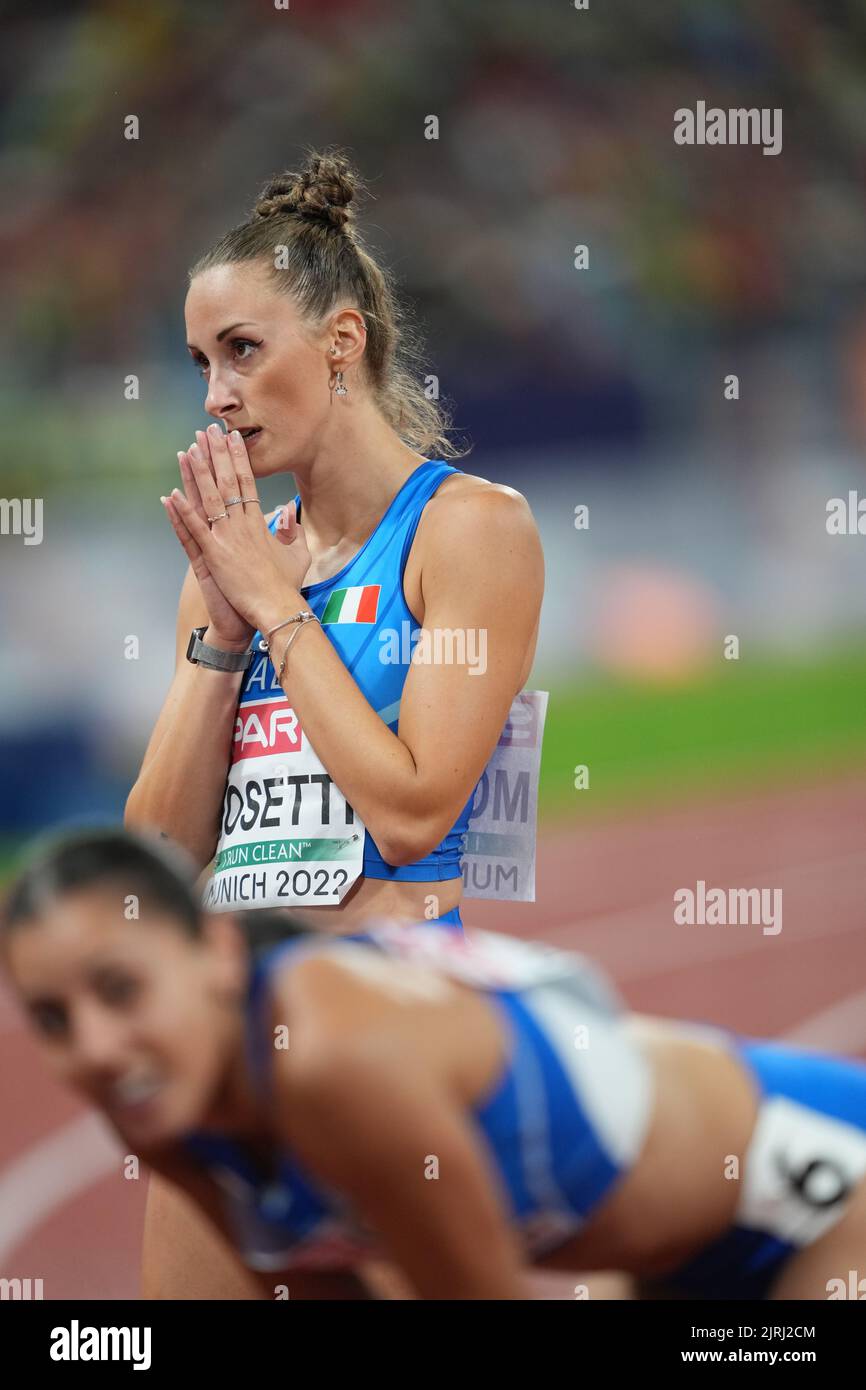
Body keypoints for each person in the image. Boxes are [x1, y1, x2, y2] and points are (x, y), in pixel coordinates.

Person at [4, 826, 866, 1301]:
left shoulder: (333, 1061)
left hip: (824, 1207)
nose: (97, 1048)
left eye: (121, 990)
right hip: (662, 1269)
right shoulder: (163, 1105)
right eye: (52, 1018)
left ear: (219, 954)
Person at [124, 145, 544, 938]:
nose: (216, 396)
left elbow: (412, 819)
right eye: (201, 363)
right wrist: (223, 635)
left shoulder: (469, 530)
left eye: (242, 349)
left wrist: (276, 608)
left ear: (342, 340)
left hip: (397, 1013)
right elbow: (155, 866)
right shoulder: (237, 573)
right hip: (248, 1007)